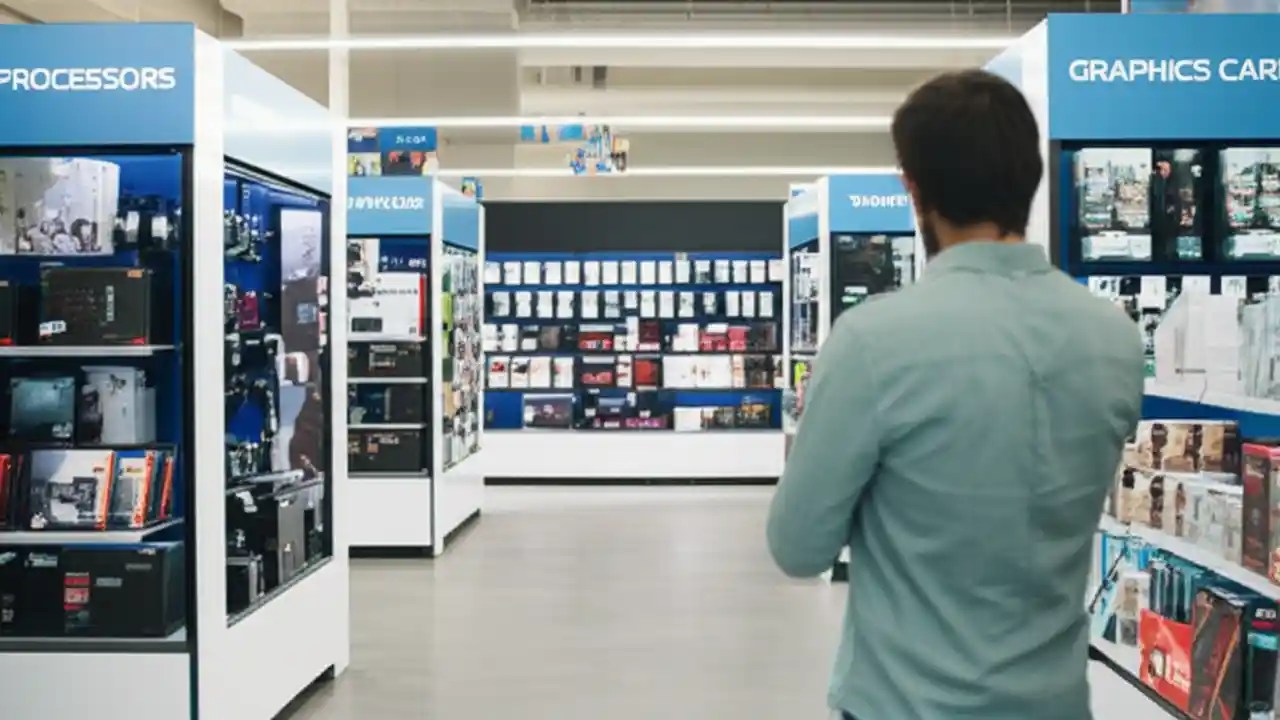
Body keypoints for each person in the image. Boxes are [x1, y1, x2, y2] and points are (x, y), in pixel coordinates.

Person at [766, 69, 1144, 720]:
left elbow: (798, 547)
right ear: (1031, 177)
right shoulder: (1114, 337)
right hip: (1054, 701)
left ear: (914, 190)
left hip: (905, 703)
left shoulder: (872, 342)